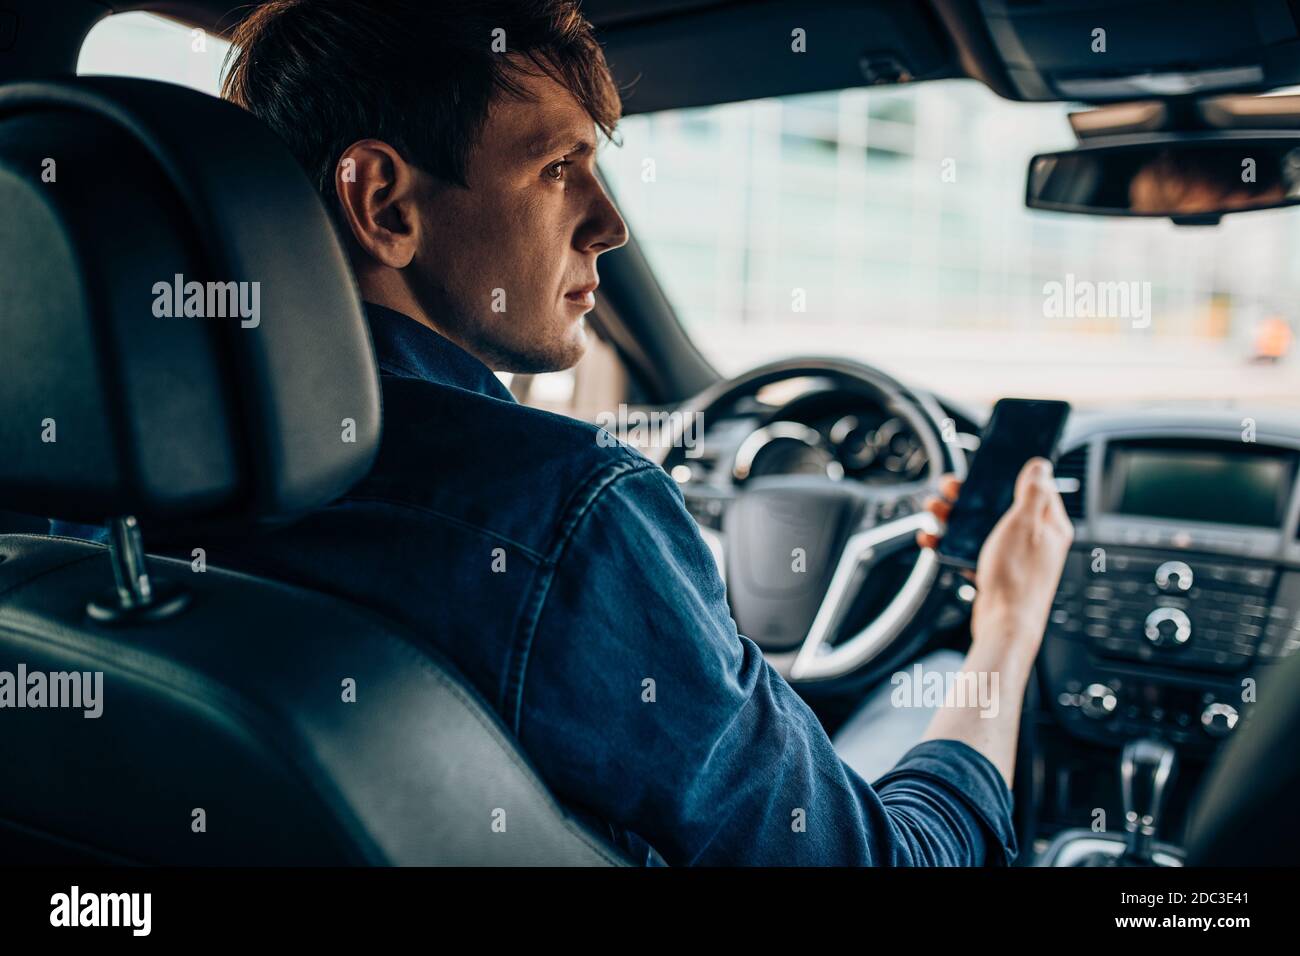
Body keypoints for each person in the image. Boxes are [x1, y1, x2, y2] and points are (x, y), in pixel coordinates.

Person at [52, 0, 1072, 865]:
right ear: (384, 204)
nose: (609, 224)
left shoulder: (87, 506)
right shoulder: (563, 513)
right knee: (929, 690)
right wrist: (1006, 629)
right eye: (557, 168)